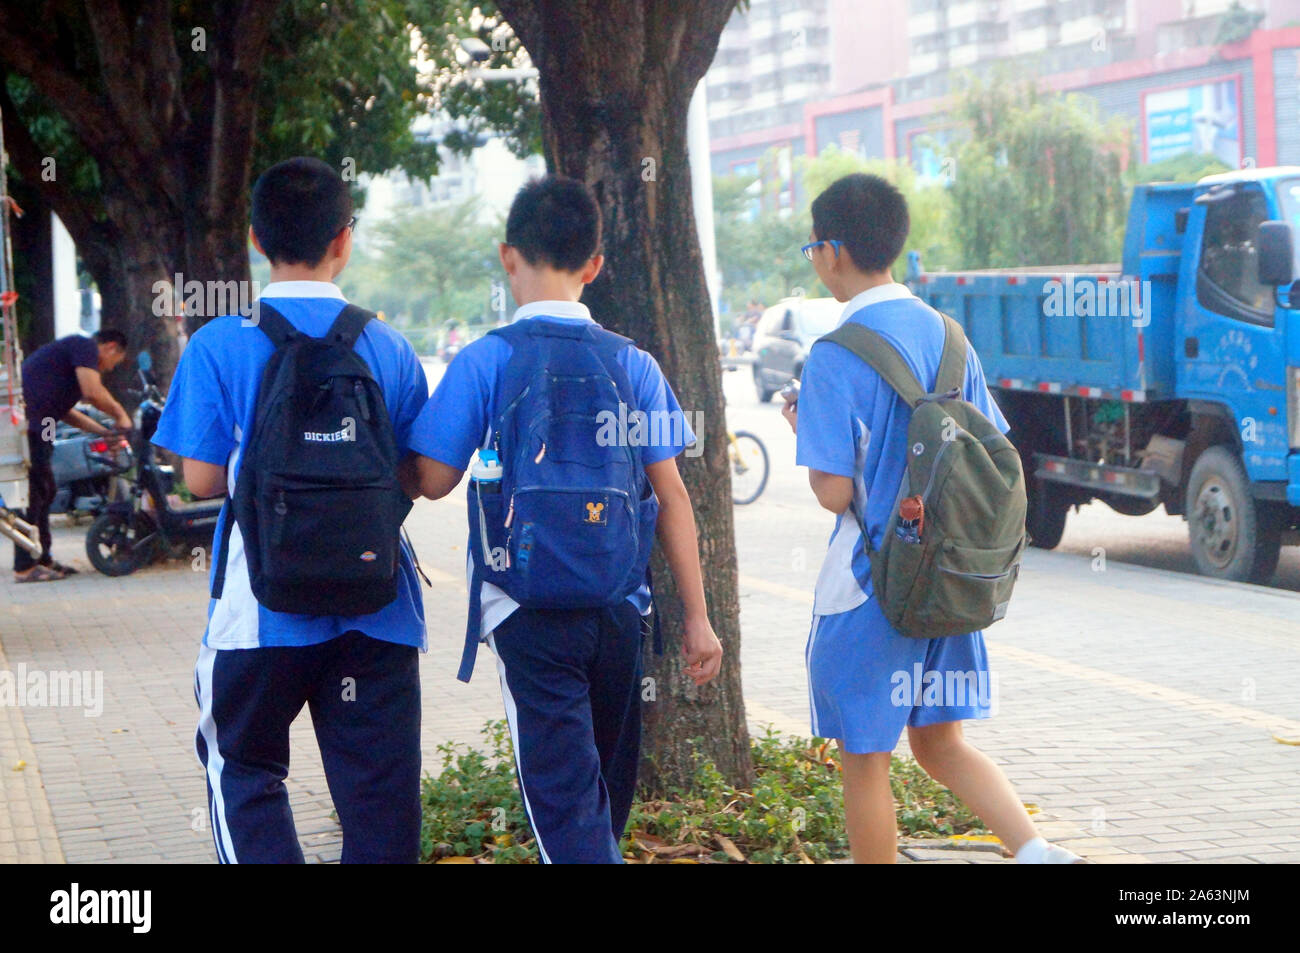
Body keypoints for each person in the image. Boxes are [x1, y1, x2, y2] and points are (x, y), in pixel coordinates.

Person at [408, 175, 723, 863]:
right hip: (619, 609)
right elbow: (671, 496)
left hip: (525, 610)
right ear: (595, 266)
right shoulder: (632, 364)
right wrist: (697, 616)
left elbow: (430, 480)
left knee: (567, 814)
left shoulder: (487, 359)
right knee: (600, 802)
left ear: (506, 255)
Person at [783, 173, 1082, 864]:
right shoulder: (950, 337)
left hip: (873, 585)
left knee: (866, 759)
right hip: (950, 575)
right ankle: (1036, 852)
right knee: (941, 741)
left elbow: (833, 492)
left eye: (812, 249)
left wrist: (808, 428)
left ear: (831, 250)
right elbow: (986, 443)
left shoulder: (835, 353)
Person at [152, 157, 429, 864]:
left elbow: (202, 480)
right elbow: (418, 475)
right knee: (379, 798)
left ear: (253, 238)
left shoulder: (219, 343)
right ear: (345, 238)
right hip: (376, 610)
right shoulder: (388, 346)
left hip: (259, 611)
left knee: (244, 771)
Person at [13, 328, 131, 582]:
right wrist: (120, 414)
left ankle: (42, 558)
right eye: (114, 362)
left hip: (41, 427)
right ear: (110, 347)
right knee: (34, 493)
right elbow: (93, 392)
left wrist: (103, 431)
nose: (109, 369)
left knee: (46, 490)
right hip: (29, 428)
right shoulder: (83, 346)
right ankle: (24, 566)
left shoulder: (70, 365)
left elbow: (66, 412)